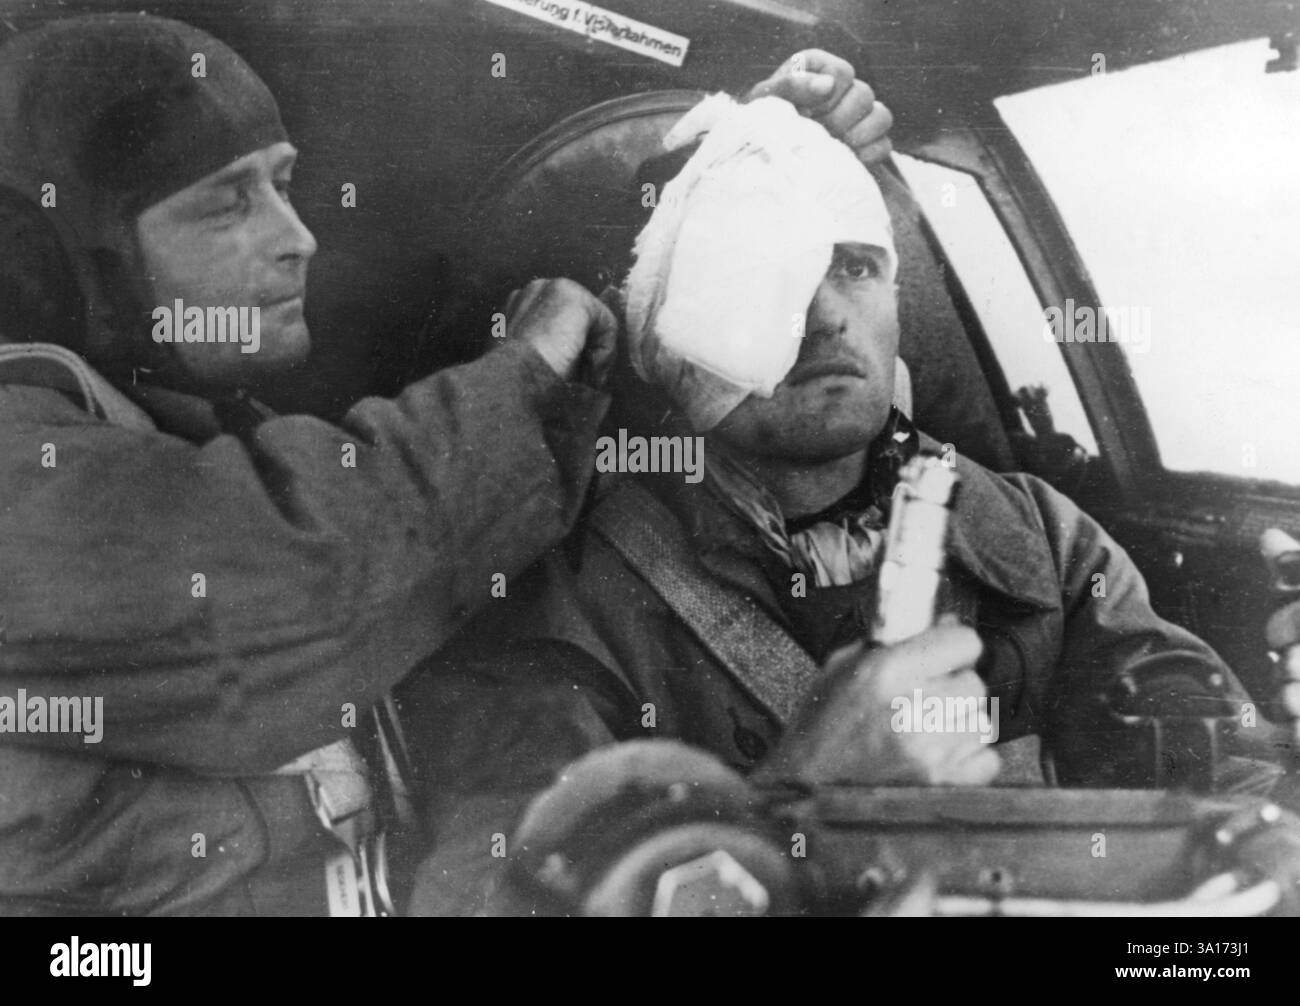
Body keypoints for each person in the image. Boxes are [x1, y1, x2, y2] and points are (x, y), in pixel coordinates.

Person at [0, 12, 894, 915]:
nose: (297, 238)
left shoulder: (205, 441)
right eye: (226, 204)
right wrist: (527, 373)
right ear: (59, 263)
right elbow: (314, 571)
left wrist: (741, 168)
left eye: (282, 187)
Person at [401, 92, 1291, 915]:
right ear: (658, 327)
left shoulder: (1044, 541)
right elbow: (489, 892)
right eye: (765, 271)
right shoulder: (561, 598)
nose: (829, 316)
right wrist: (789, 797)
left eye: (859, 268)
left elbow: (1239, 814)